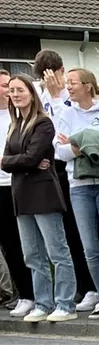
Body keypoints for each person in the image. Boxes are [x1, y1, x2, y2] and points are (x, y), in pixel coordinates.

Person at [2, 75, 77, 322]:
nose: (15, 94)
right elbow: (19, 159)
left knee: (57, 251)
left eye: (20, 90)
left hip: (42, 194)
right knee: (32, 254)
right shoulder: (15, 125)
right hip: (21, 195)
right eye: (11, 90)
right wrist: (18, 161)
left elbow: (31, 157)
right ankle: (43, 302)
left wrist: (12, 161)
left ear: (31, 93)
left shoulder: (43, 124)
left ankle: (65, 303)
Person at [54, 68, 99, 320]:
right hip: (79, 187)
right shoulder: (65, 114)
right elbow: (59, 152)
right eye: (67, 83)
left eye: (72, 83)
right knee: (90, 248)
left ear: (88, 85)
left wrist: (78, 144)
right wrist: (93, 143)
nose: (68, 87)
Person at [33, 49, 99, 310]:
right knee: (63, 235)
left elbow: (67, 127)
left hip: (69, 167)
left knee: (78, 230)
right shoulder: (40, 95)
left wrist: (59, 95)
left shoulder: (68, 97)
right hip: (47, 169)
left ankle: (92, 287)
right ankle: (79, 287)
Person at [0, 71, 36, 317]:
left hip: (14, 184)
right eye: (5, 88)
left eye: (8, 86)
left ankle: (33, 294)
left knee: (24, 242)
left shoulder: (17, 119)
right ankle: (22, 294)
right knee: (8, 245)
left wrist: (7, 161)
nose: (6, 92)